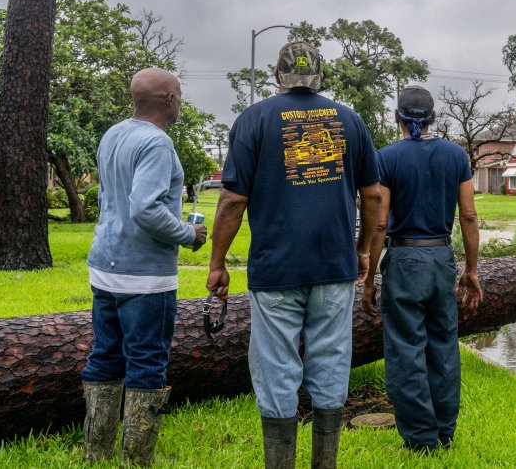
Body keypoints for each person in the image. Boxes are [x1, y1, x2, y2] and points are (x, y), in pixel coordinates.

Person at [206, 42, 382, 469]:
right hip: (333, 266)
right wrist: (362, 251)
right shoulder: (350, 120)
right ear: (320, 76)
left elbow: (232, 201)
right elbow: (373, 195)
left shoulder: (254, 119)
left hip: (275, 267)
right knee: (331, 363)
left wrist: (217, 262)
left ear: (276, 75)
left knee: (276, 368)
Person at [82, 68, 208, 466]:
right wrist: (189, 235)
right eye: (180, 95)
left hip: (104, 265)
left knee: (104, 356)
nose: (181, 101)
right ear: (170, 99)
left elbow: (111, 200)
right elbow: (146, 209)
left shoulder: (114, 134)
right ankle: (136, 461)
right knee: (147, 363)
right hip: (144, 277)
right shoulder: (157, 144)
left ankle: (96, 455)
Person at [362, 85, 482, 453]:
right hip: (442, 258)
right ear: (433, 118)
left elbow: (380, 224)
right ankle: (445, 431)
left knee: (405, 349)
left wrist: (369, 276)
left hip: (406, 259)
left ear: (397, 117)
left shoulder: (387, 158)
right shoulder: (456, 155)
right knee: (443, 346)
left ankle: (420, 439)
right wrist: (471, 270)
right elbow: (469, 215)